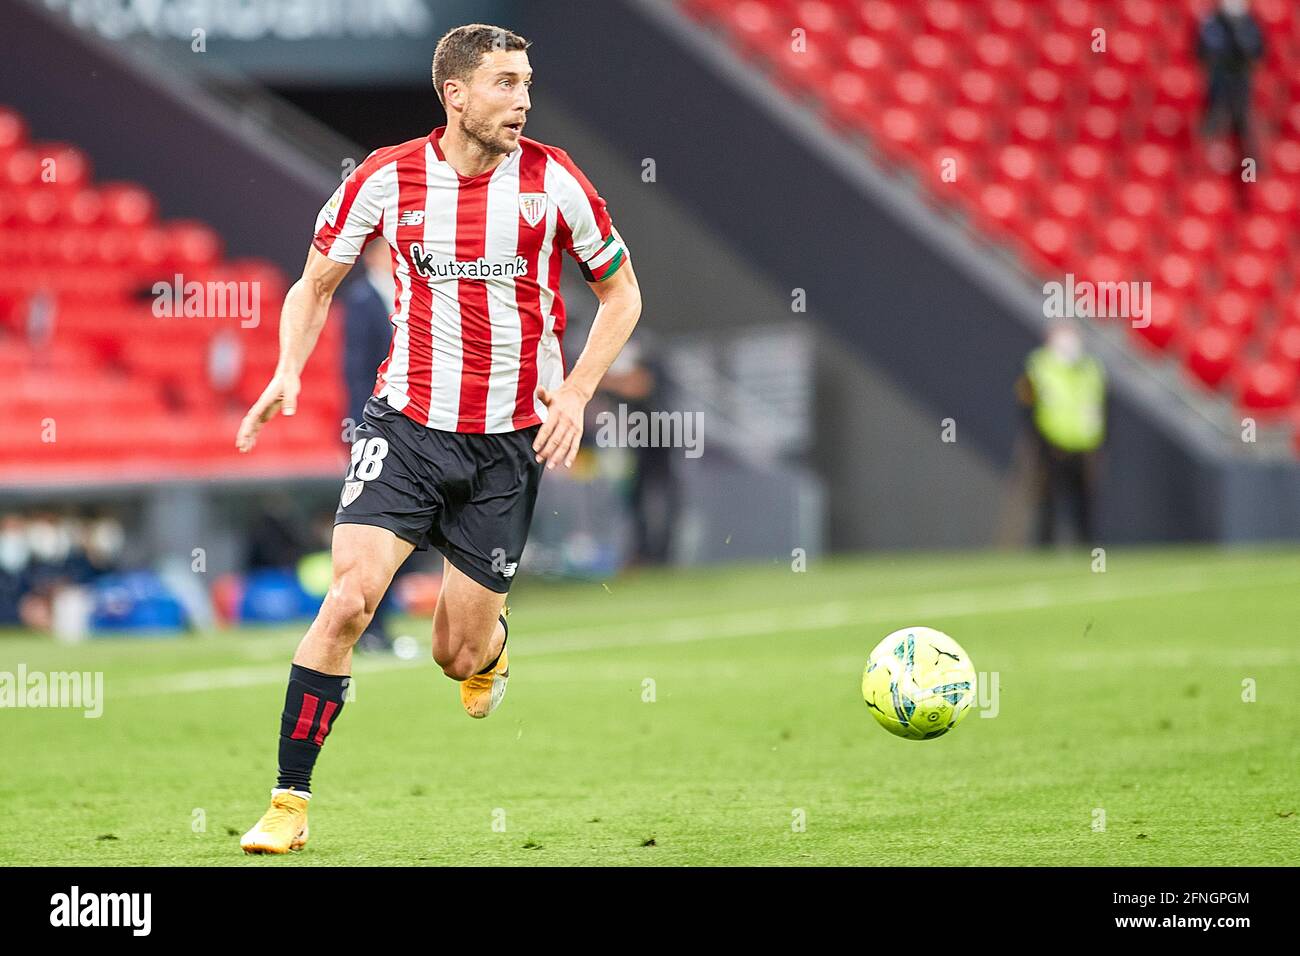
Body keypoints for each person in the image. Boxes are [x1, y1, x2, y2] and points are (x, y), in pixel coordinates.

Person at [234, 23, 642, 854]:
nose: (522, 99)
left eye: (526, 82)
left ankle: (489, 651)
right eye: (503, 83)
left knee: (453, 655)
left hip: (506, 445)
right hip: (407, 427)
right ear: (454, 94)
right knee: (348, 599)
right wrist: (286, 370)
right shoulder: (386, 179)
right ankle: (288, 801)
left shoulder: (554, 181)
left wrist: (576, 391)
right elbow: (316, 284)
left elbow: (623, 294)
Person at [340, 237, 400, 652]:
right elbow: (357, 371)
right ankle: (366, 629)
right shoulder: (362, 301)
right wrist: (365, 425)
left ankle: (380, 626)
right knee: (376, 530)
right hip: (378, 428)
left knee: (396, 534)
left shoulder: (412, 295)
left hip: (410, 427)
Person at [1016, 321, 1106, 547]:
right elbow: (1026, 405)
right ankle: (1045, 551)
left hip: (1084, 447)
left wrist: (1100, 445)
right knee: (1047, 501)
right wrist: (1035, 441)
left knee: (1084, 504)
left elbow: (1101, 408)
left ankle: (1087, 549)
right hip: (1050, 446)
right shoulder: (1038, 366)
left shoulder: (1090, 369)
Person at [1196, 0, 1265, 167]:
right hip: (1219, 77)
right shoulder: (1212, 23)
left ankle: (1249, 167)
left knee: (1243, 121)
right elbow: (1207, 49)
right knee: (1216, 118)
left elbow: (1255, 49)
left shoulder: (1249, 24)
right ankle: (1210, 163)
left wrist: (1240, 36)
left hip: (1241, 78)